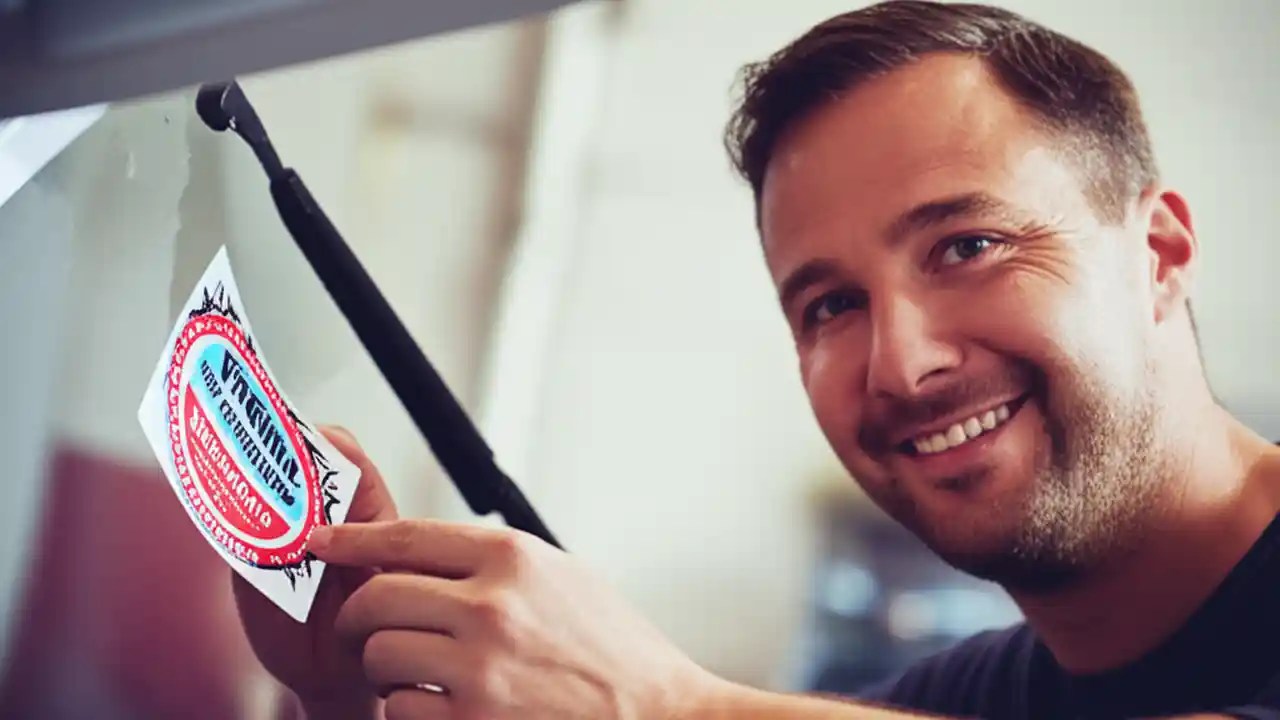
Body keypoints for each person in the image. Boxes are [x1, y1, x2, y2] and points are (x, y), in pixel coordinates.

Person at [234, 2, 1280, 719]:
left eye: (967, 246)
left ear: (1156, 255)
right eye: (830, 304)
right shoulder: (963, 695)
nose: (898, 364)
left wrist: (662, 699)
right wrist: (352, 692)